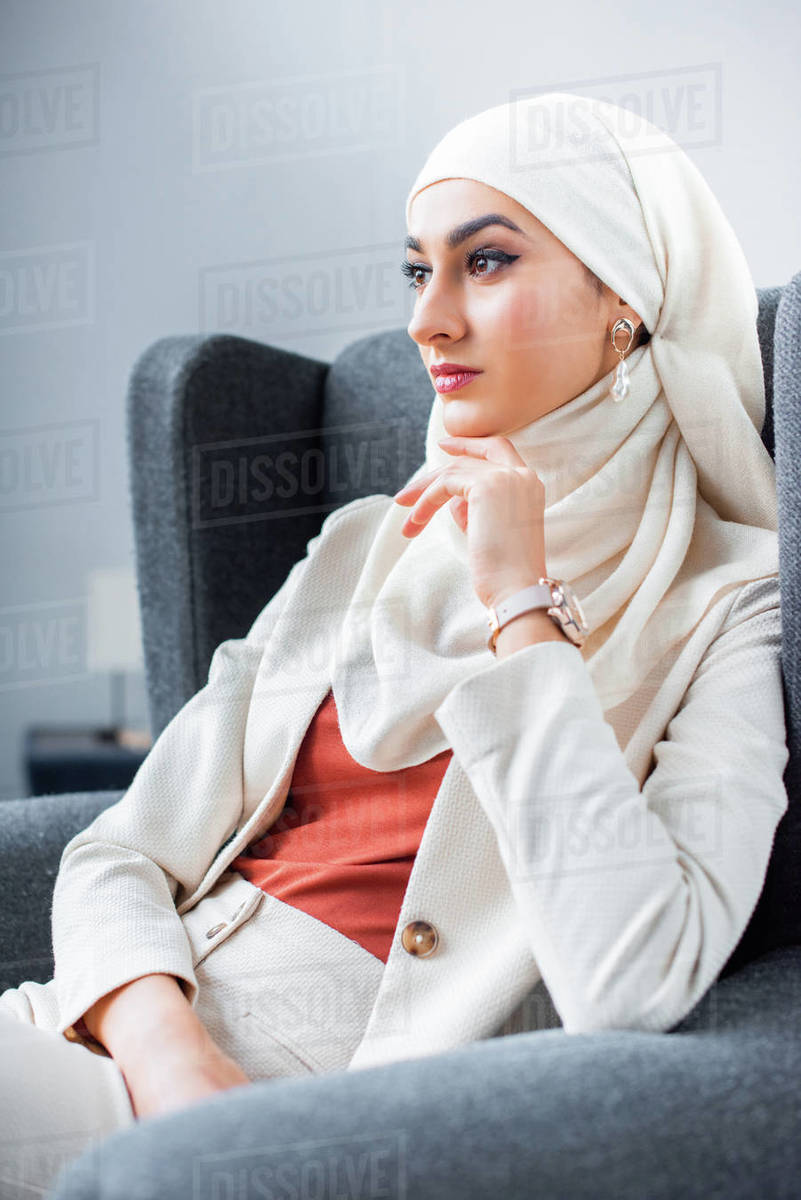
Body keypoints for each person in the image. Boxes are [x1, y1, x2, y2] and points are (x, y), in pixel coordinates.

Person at [0, 91, 789, 1199]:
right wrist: (170, 1062)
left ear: (626, 295)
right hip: (110, 1048)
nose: (431, 320)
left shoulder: (730, 598)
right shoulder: (366, 545)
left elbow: (635, 977)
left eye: (489, 262)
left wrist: (523, 606)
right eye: (420, 270)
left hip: (326, 1115)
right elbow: (119, 854)